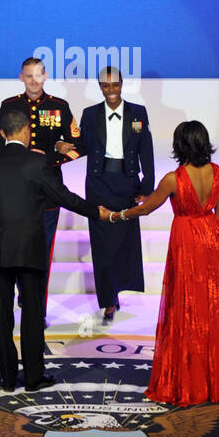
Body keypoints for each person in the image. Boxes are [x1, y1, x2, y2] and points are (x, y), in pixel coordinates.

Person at [0, 105, 109, 391]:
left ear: (1, 132)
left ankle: (8, 379)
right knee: (33, 314)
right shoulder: (37, 164)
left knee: (0, 317)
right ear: (25, 131)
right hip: (31, 249)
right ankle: (34, 378)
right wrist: (97, 212)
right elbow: (64, 197)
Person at [111, 120, 219, 406]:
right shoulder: (217, 173)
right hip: (212, 240)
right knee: (210, 311)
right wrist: (212, 242)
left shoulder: (173, 178)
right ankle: (213, 384)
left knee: (185, 310)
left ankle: (187, 385)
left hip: (187, 243)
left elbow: (145, 208)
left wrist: (115, 216)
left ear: (181, 146)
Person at [0, 57, 84, 314]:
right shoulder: (8, 107)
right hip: (14, 194)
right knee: (17, 250)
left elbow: (81, 145)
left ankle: (36, 310)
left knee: (42, 256)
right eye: (28, 76)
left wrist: (53, 157)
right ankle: (24, 293)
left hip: (47, 193)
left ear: (46, 76)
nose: (33, 81)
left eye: (38, 75)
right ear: (21, 77)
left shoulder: (59, 106)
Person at [77, 66, 154, 322]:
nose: (111, 90)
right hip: (98, 185)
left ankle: (118, 290)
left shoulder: (137, 112)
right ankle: (108, 301)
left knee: (124, 243)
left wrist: (147, 186)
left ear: (123, 84)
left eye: (115, 85)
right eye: (105, 86)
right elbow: (81, 146)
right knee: (101, 247)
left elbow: (146, 149)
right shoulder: (89, 115)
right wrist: (58, 149)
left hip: (127, 184)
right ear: (100, 87)